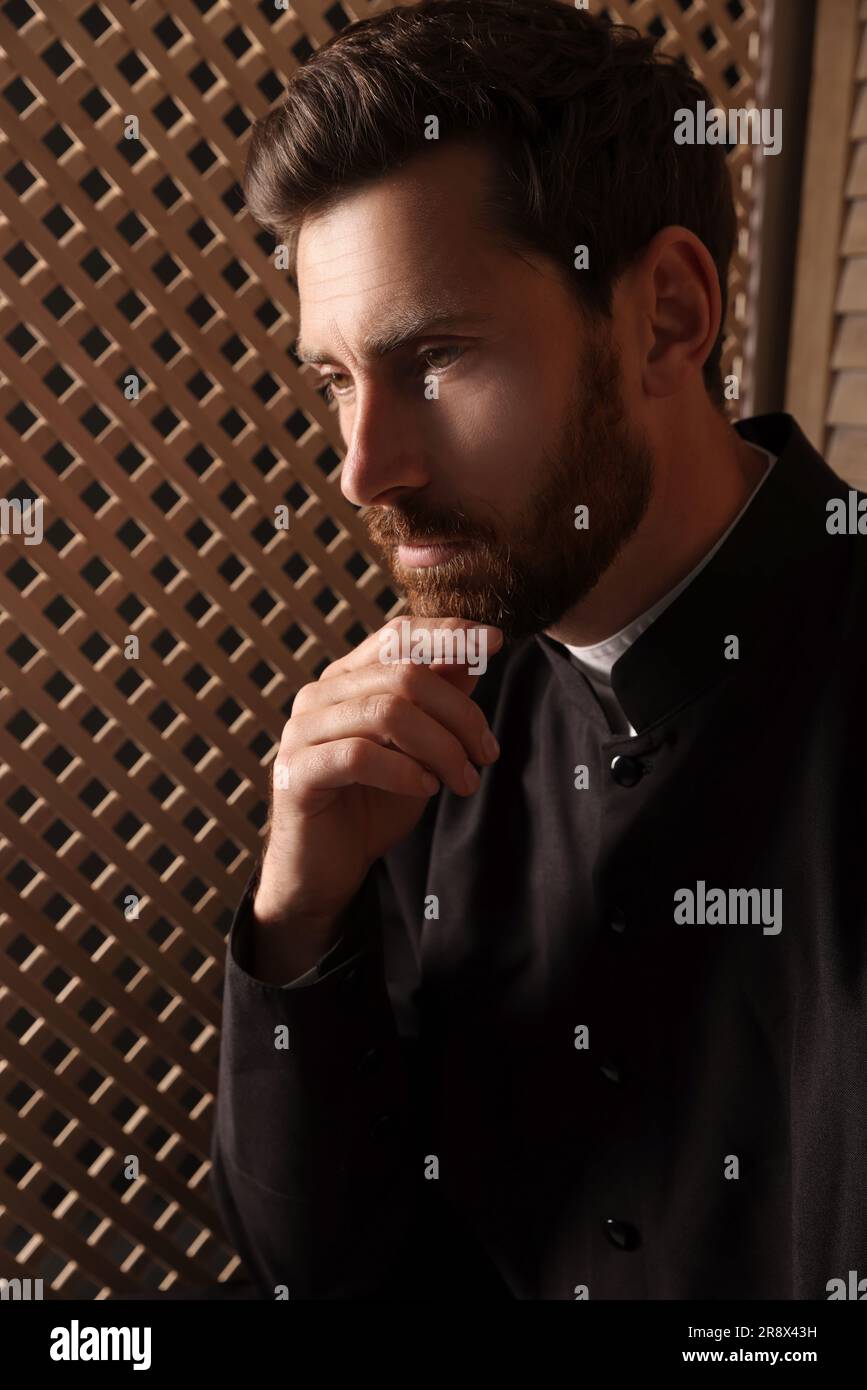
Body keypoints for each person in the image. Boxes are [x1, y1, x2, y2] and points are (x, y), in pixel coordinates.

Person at [210, 0, 867, 1299]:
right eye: (336, 379)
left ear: (669, 320)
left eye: (437, 358)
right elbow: (324, 1270)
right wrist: (297, 919)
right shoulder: (420, 734)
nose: (361, 470)